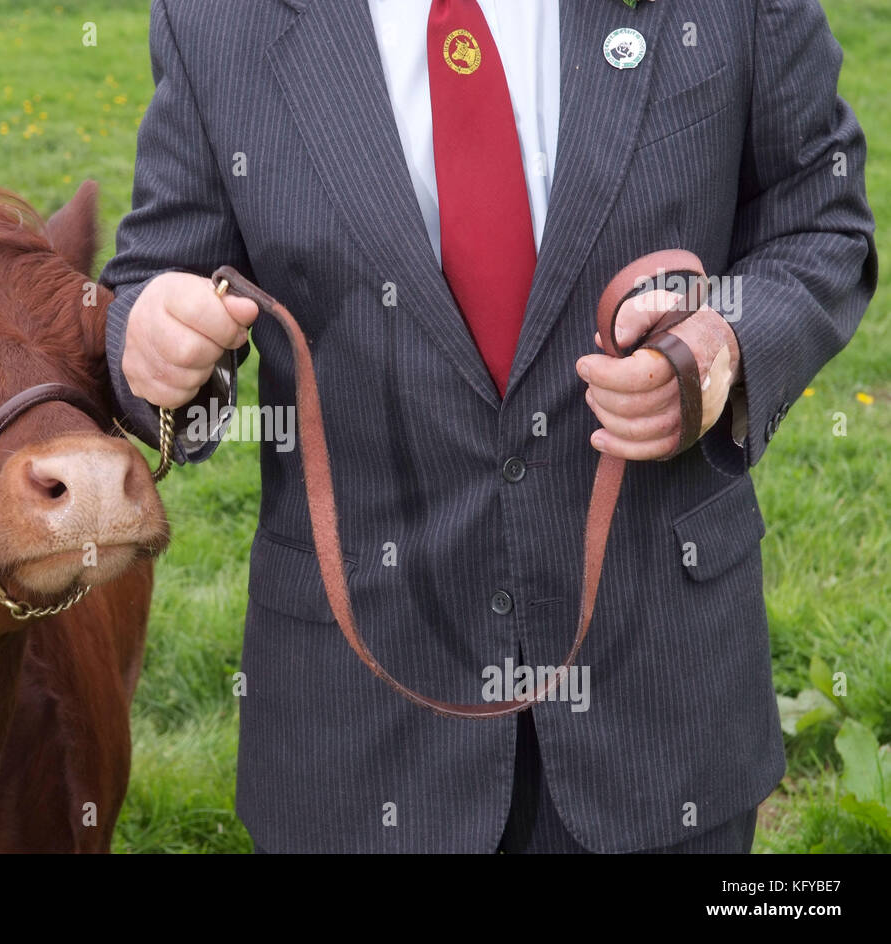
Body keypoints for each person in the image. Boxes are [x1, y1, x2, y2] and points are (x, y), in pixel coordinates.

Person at [100, 0, 876, 853]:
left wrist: (725, 342)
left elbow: (818, 221)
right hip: (357, 736)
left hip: (660, 708)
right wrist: (154, 339)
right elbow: (157, 273)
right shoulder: (216, 20)